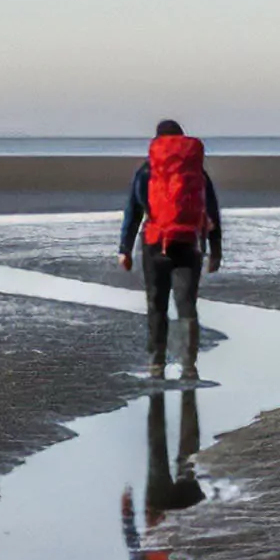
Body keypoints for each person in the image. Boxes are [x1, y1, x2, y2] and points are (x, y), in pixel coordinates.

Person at [116, 118, 222, 372]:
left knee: (156, 303)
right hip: (189, 244)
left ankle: (157, 360)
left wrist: (125, 249)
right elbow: (212, 213)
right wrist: (215, 251)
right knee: (186, 304)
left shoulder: (147, 170)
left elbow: (133, 211)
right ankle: (188, 363)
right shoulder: (197, 173)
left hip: (155, 243)